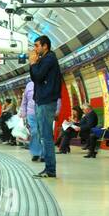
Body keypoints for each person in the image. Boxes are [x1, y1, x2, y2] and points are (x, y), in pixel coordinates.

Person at [29, 35, 63, 178]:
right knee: (45, 135)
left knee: (46, 136)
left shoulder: (49, 59)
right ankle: (49, 168)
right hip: (43, 101)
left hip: (46, 101)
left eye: (37, 46)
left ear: (45, 46)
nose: (35, 49)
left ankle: (50, 169)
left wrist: (32, 63)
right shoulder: (46, 59)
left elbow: (37, 77)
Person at [21, 79, 40, 161]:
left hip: (43, 112)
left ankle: (43, 154)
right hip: (31, 113)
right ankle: (35, 153)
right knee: (34, 132)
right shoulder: (29, 85)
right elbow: (24, 101)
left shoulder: (47, 82)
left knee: (43, 133)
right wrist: (23, 113)